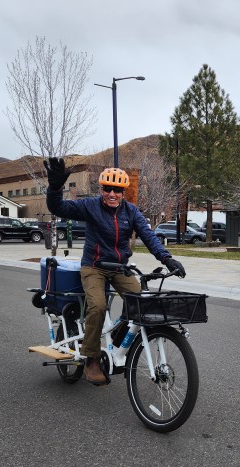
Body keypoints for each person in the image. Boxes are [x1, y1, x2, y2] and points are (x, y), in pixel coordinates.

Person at [44, 157, 185, 385]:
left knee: (141, 303)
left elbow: (149, 237)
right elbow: (57, 207)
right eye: (108, 189)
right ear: (101, 190)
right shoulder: (90, 206)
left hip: (120, 268)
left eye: (117, 190)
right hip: (94, 267)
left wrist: (167, 258)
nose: (112, 194)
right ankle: (92, 359)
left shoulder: (131, 212)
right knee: (98, 306)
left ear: (123, 192)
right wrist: (55, 188)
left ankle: (118, 343)